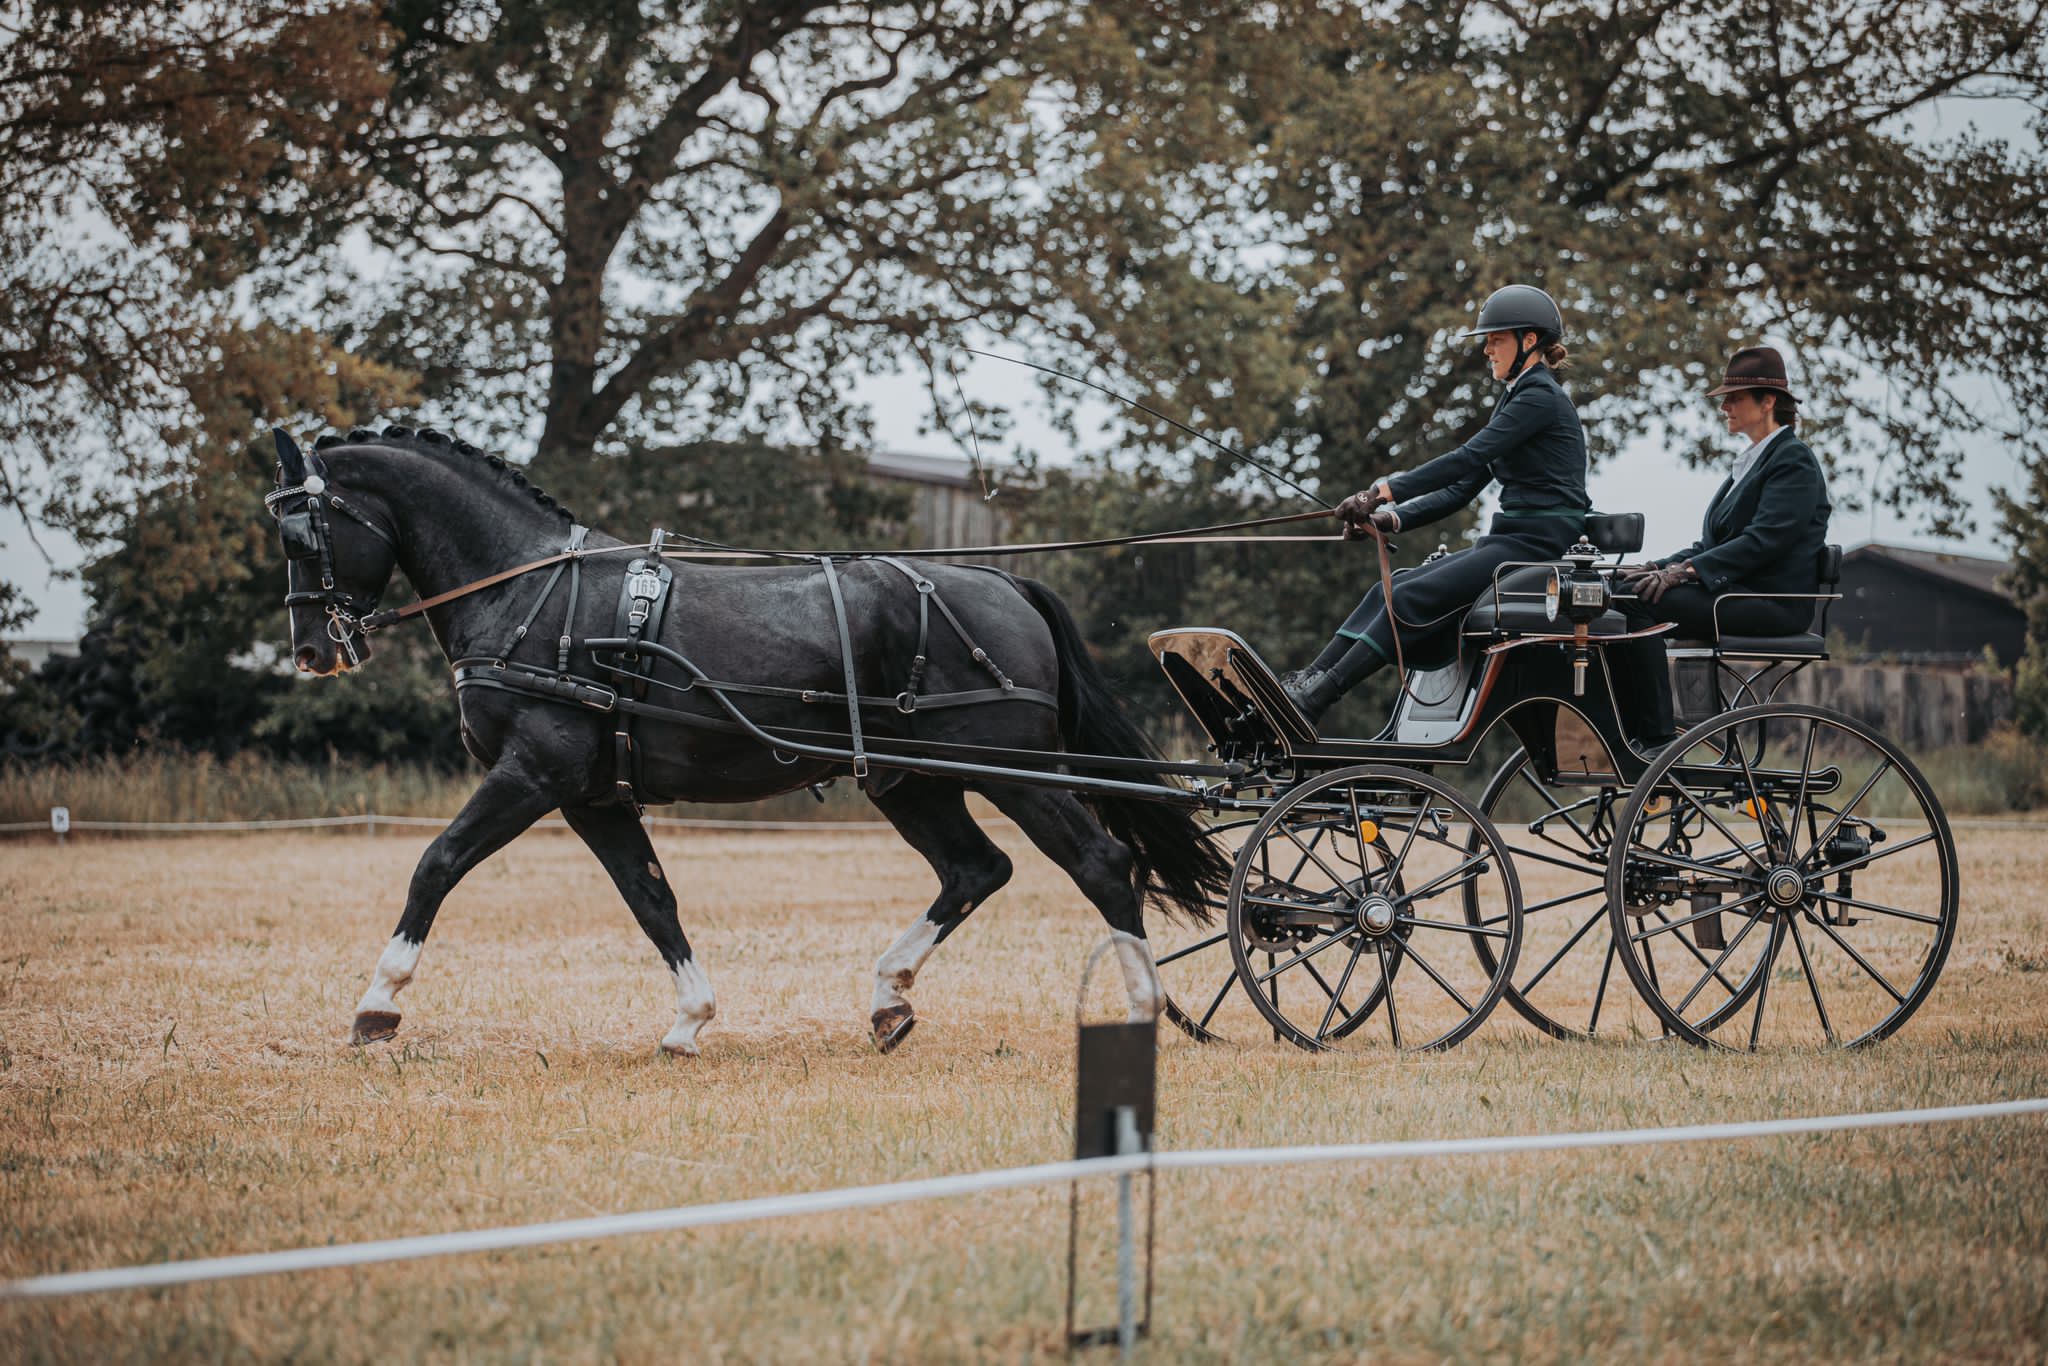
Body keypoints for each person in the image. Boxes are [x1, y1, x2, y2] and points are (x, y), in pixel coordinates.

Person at [1283, 284, 1590, 723]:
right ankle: (1306, 680)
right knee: (1388, 590)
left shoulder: (1539, 398)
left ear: (1529, 341)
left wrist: (1380, 492)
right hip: (1510, 541)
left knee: (1411, 598)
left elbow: (1465, 458)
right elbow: (1462, 488)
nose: (1487, 350)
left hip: (1536, 546)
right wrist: (1390, 519)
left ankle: (1314, 702)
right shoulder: (1517, 398)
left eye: (1495, 339)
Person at [1610, 345, 1832, 747]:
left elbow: (1763, 542)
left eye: (1735, 398)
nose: (1725, 406)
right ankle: (1630, 729)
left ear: (1768, 402)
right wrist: (1656, 566)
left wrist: (1682, 573)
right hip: (1735, 593)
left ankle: (1655, 737)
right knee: (1616, 591)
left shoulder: (1793, 461)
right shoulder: (1752, 463)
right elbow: (1710, 544)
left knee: (1633, 602)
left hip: (1772, 602)